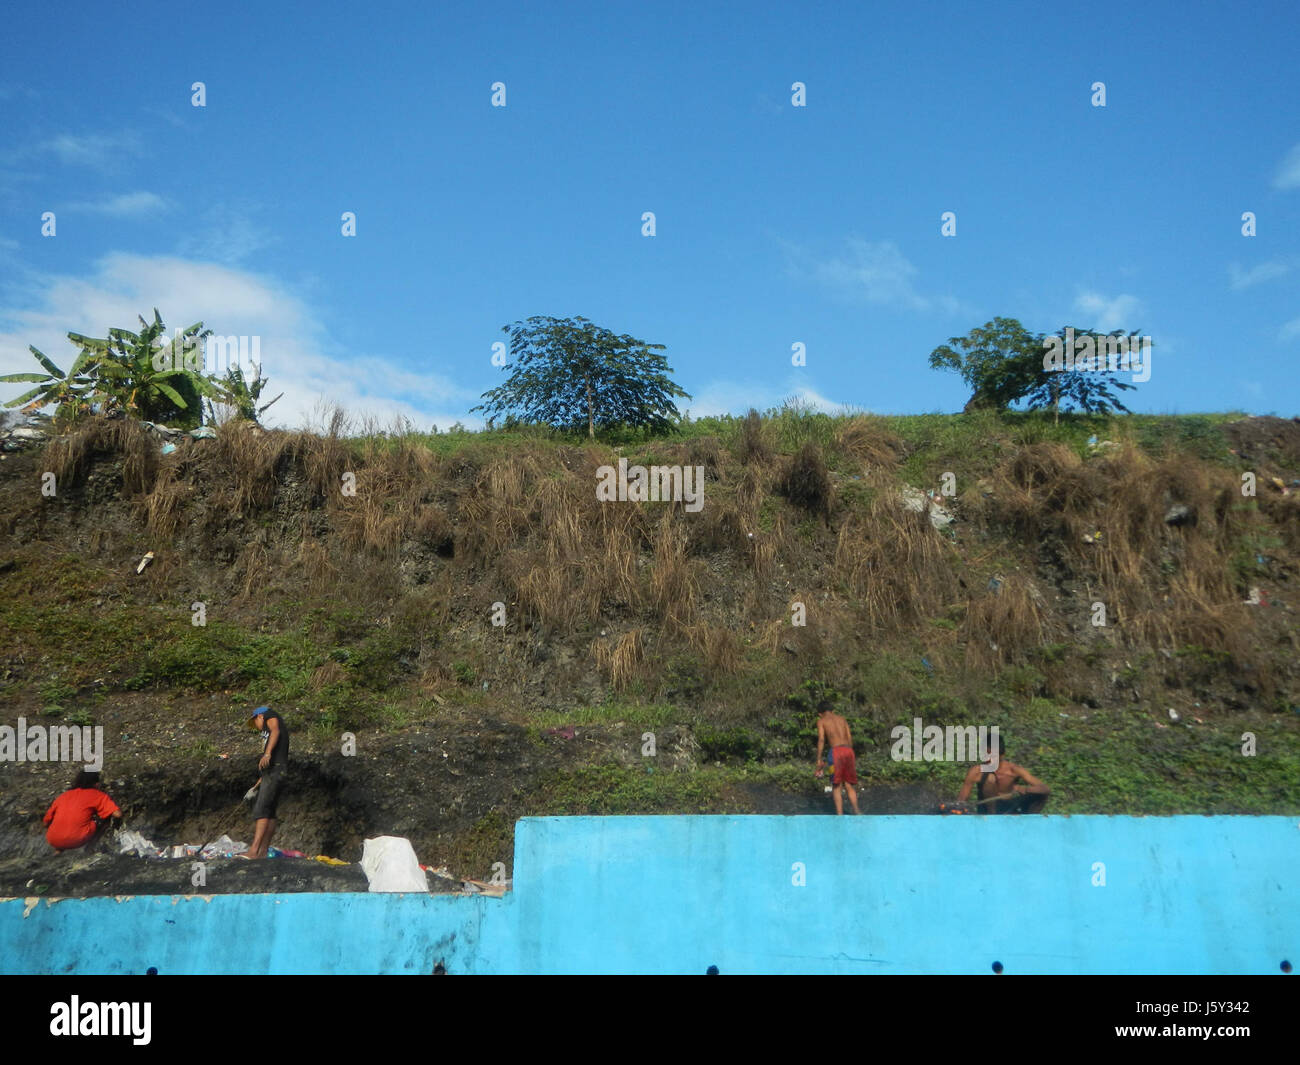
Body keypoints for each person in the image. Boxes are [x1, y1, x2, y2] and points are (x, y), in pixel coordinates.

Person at [958, 735, 1050, 814]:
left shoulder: (1013, 770)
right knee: (990, 779)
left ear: (1001, 755)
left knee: (1042, 795)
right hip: (987, 810)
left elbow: (1044, 788)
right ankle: (993, 818)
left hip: (1008, 807)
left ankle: (1029, 821)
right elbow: (962, 800)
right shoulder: (977, 771)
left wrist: (1022, 789)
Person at [243, 706, 289, 858]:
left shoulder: (270, 716)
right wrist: (255, 788)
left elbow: (275, 730)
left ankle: (254, 851)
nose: (256, 726)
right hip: (276, 772)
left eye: (255, 721)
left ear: (259, 717)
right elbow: (267, 772)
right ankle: (263, 852)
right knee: (270, 812)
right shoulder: (269, 734)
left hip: (275, 771)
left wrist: (267, 753)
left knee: (262, 809)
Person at [43, 770, 122, 852]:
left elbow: (46, 822)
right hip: (77, 839)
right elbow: (117, 814)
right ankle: (90, 847)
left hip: (53, 839)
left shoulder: (63, 796)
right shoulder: (97, 795)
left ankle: (58, 850)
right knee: (104, 817)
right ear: (96, 784)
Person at [814, 704, 860, 815]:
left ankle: (840, 815)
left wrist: (819, 759)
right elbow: (849, 737)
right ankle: (857, 811)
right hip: (848, 751)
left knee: (836, 785)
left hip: (835, 753)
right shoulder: (842, 719)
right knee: (849, 784)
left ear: (820, 713)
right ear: (832, 710)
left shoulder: (821, 721)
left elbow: (821, 739)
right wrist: (849, 753)